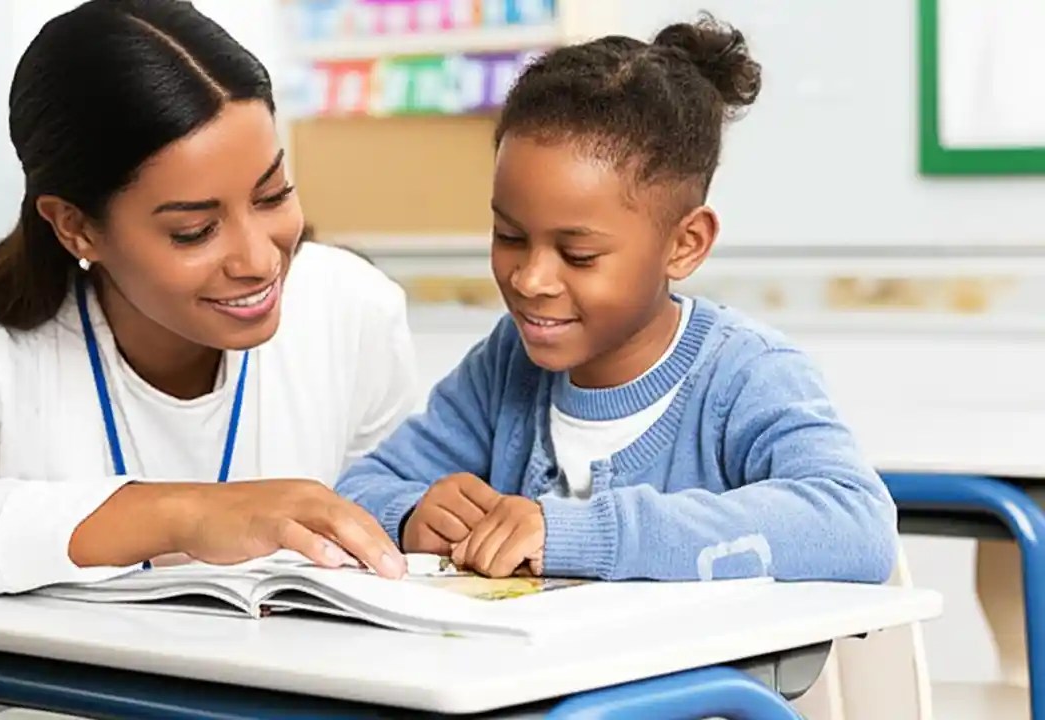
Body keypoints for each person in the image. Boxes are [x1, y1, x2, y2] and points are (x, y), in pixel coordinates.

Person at [0, 0, 412, 711]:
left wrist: (426, 515)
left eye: (273, 195)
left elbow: (393, 530)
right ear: (76, 226)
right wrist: (184, 514)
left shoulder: (350, 307)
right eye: (195, 231)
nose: (259, 260)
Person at [336, 15, 898, 583]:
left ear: (685, 244)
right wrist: (410, 514)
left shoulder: (744, 376)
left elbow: (857, 526)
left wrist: (589, 533)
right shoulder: (506, 365)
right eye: (509, 236)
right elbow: (358, 489)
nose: (531, 279)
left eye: (578, 255)